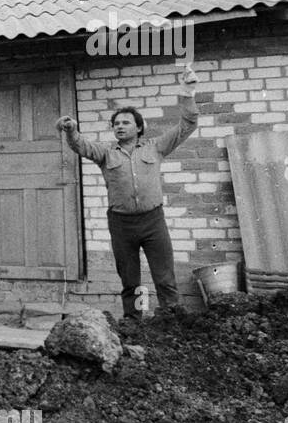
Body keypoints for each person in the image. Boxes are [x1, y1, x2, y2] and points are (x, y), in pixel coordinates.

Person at [56, 67, 199, 319]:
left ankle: (171, 322)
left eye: (126, 122)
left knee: (164, 277)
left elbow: (187, 124)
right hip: (122, 225)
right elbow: (80, 145)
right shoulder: (106, 154)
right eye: (116, 124)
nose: (120, 127)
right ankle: (134, 325)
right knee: (130, 281)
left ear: (139, 127)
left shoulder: (156, 148)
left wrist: (187, 92)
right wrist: (70, 130)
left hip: (153, 221)